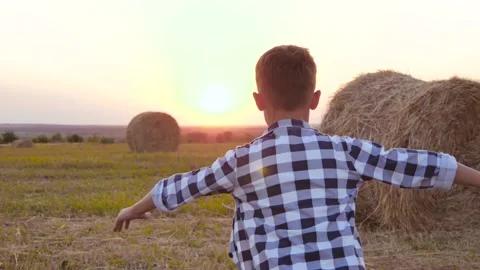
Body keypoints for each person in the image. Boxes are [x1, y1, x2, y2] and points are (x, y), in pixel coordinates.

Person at [113, 45, 480, 269]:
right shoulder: (345, 151)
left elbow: (181, 187)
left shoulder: (241, 161)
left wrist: (134, 208)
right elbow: (422, 165)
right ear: (316, 99)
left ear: (258, 101)